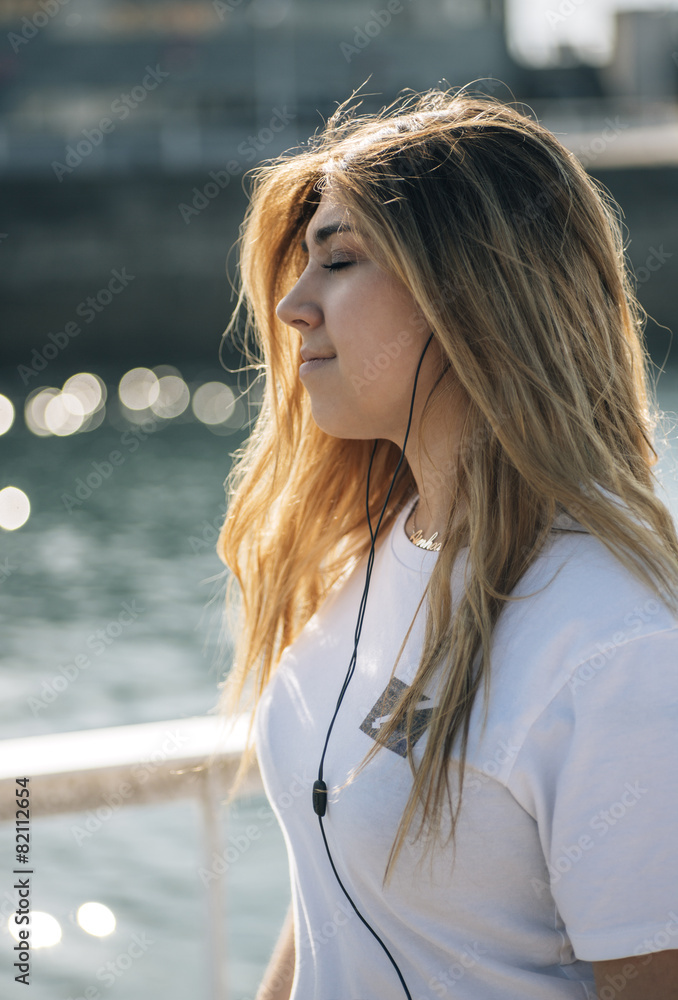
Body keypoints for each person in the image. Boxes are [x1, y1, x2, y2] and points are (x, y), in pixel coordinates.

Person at [215, 84, 678, 1000]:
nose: (294, 306)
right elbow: (329, 899)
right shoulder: (375, 549)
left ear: (471, 294)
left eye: (338, 260)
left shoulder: (618, 648)